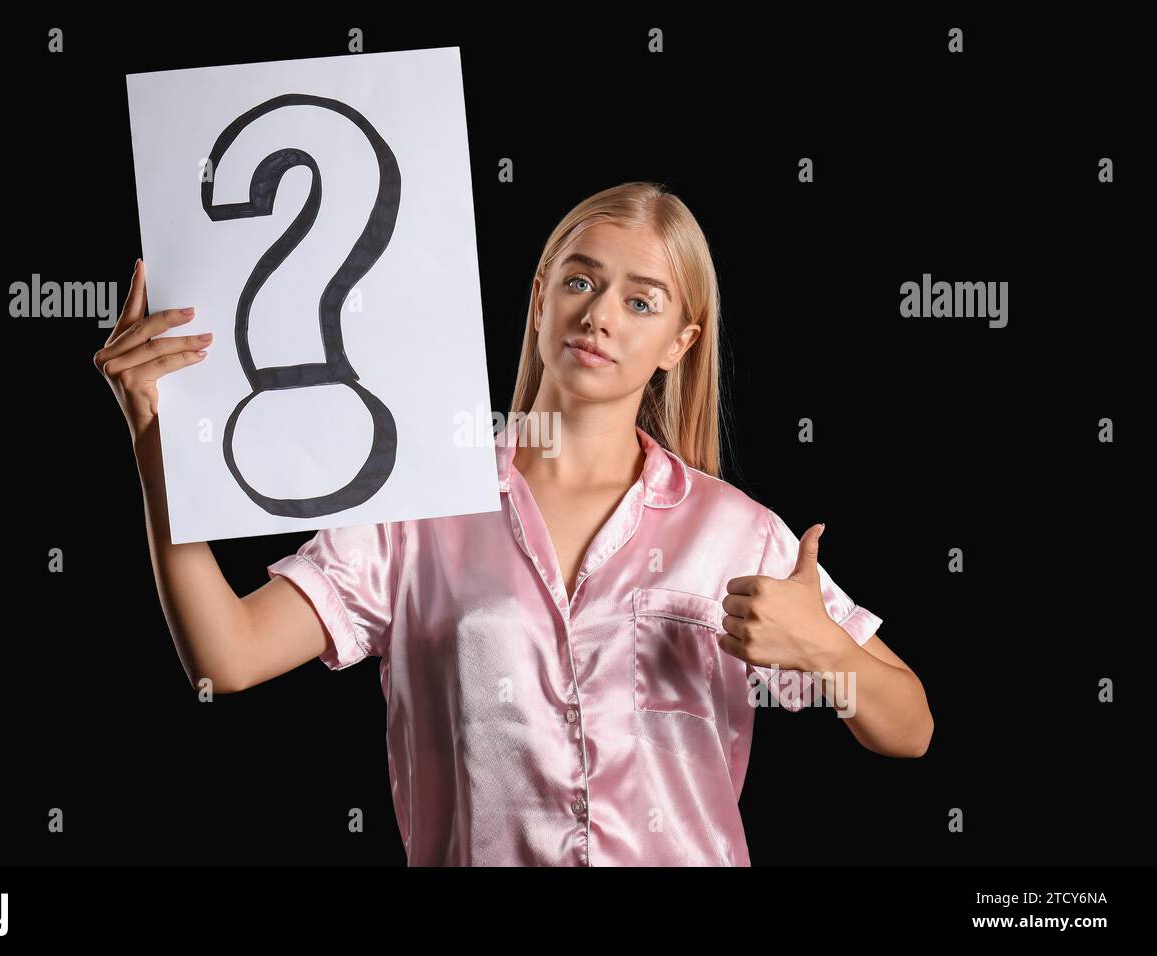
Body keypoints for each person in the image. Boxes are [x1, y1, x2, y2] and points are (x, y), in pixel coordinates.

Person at [94, 181, 933, 866]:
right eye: (580, 281)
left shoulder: (734, 532)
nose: (601, 314)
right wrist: (157, 441)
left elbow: (911, 728)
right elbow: (227, 656)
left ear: (679, 343)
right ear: (539, 298)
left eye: (641, 303)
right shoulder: (418, 503)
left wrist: (822, 648)